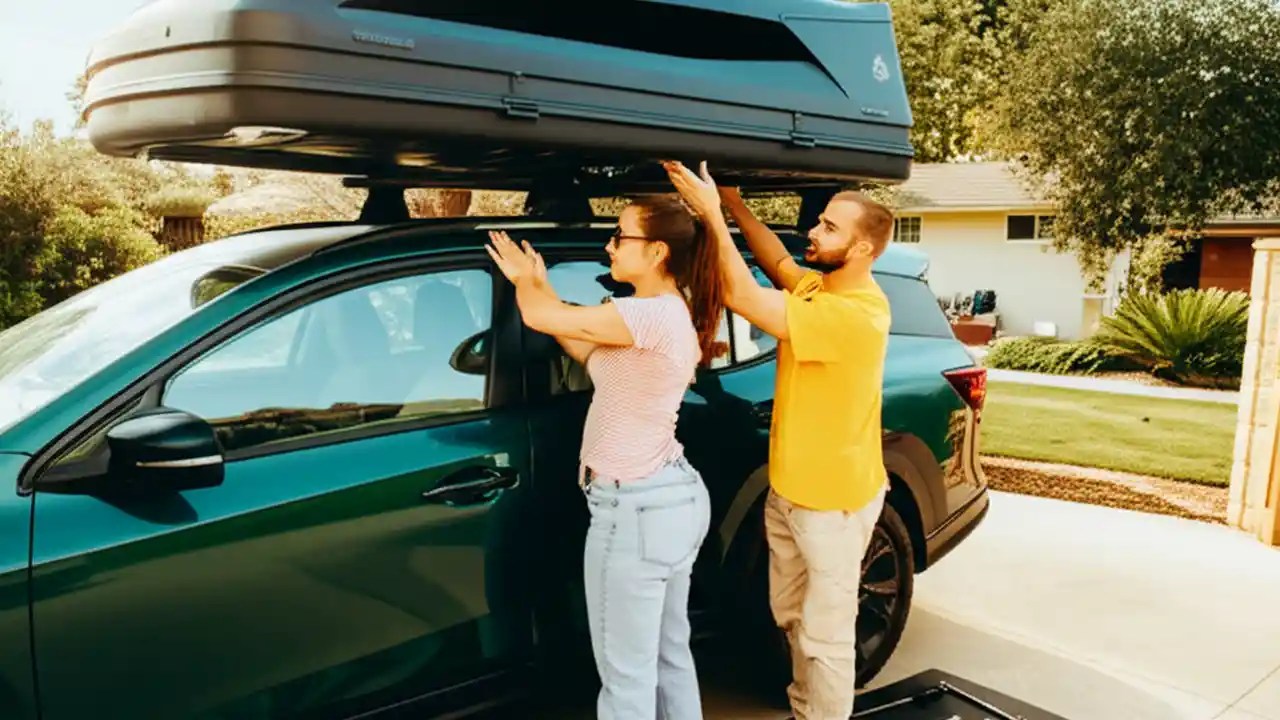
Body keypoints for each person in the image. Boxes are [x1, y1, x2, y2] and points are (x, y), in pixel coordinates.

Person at [664, 160, 893, 720]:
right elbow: (775, 261)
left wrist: (711, 213)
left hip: (833, 505)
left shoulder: (854, 316)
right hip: (790, 493)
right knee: (791, 617)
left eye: (830, 228)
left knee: (827, 637)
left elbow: (743, 295)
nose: (813, 230)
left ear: (864, 250)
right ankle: (801, 710)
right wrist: (737, 205)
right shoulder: (821, 288)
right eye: (821, 222)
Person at [485, 195, 725, 720]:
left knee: (626, 680)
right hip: (666, 499)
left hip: (635, 508)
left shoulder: (647, 314)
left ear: (657, 251)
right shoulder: (659, 315)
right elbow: (580, 344)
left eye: (620, 236)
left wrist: (525, 280)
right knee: (668, 658)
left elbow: (542, 317)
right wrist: (543, 289)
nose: (609, 245)